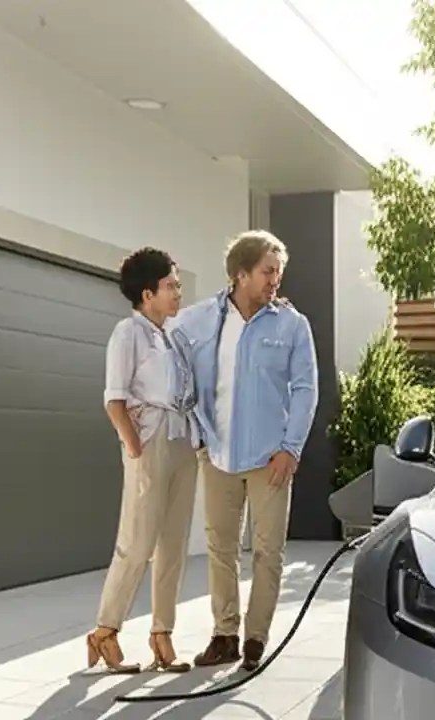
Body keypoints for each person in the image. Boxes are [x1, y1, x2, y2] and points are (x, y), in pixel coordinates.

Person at [170, 230, 319, 671]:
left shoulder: (292, 324)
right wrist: (196, 430)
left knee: (269, 551)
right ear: (241, 274)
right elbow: (171, 352)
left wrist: (291, 448)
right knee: (221, 548)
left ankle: (255, 639)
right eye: (267, 271)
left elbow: (307, 388)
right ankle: (224, 635)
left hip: (270, 458)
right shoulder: (204, 319)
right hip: (216, 454)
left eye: (279, 271)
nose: (276, 279)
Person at [86, 247, 201, 674]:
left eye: (177, 284)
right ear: (147, 293)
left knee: (173, 547)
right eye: (171, 285)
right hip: (149, 444)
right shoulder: (128, 333)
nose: (178, 292)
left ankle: (162, 635)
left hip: (181, 444)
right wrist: (134, 447)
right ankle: (105, 631)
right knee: (136, 544)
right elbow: (114, 399)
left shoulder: (170, 336)